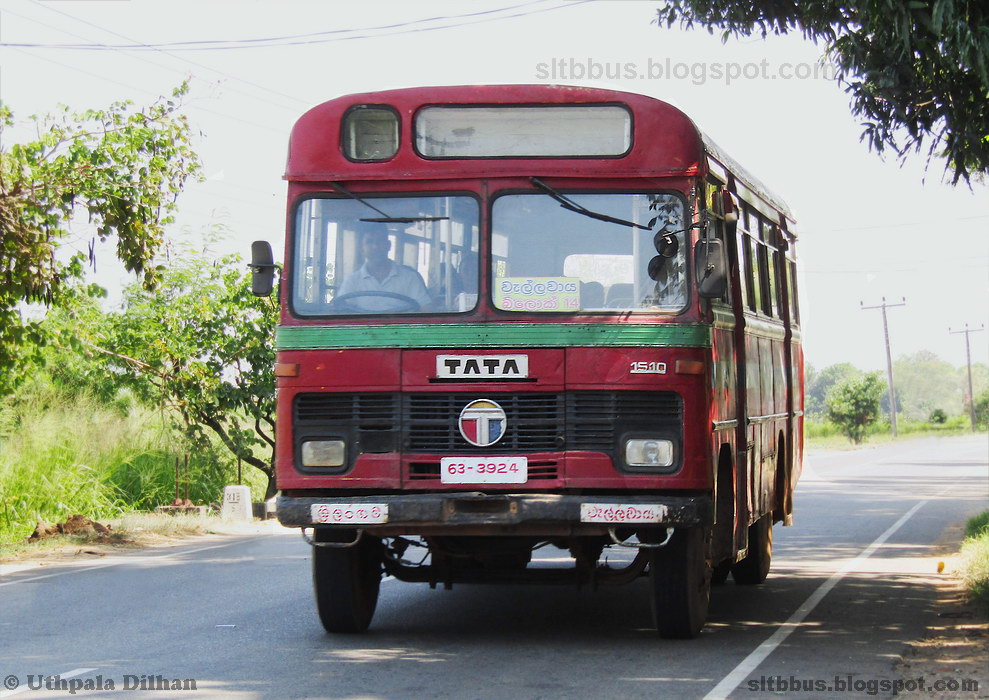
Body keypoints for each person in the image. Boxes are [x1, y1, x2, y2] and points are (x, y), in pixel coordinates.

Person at [335, 229, 432, 312]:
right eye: (369, 241)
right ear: (362, 249)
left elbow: (426, 308)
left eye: (380, 241)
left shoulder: (409, 277)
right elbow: (340, 309)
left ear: (388, 245)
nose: (375, 246)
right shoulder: (352, 281)